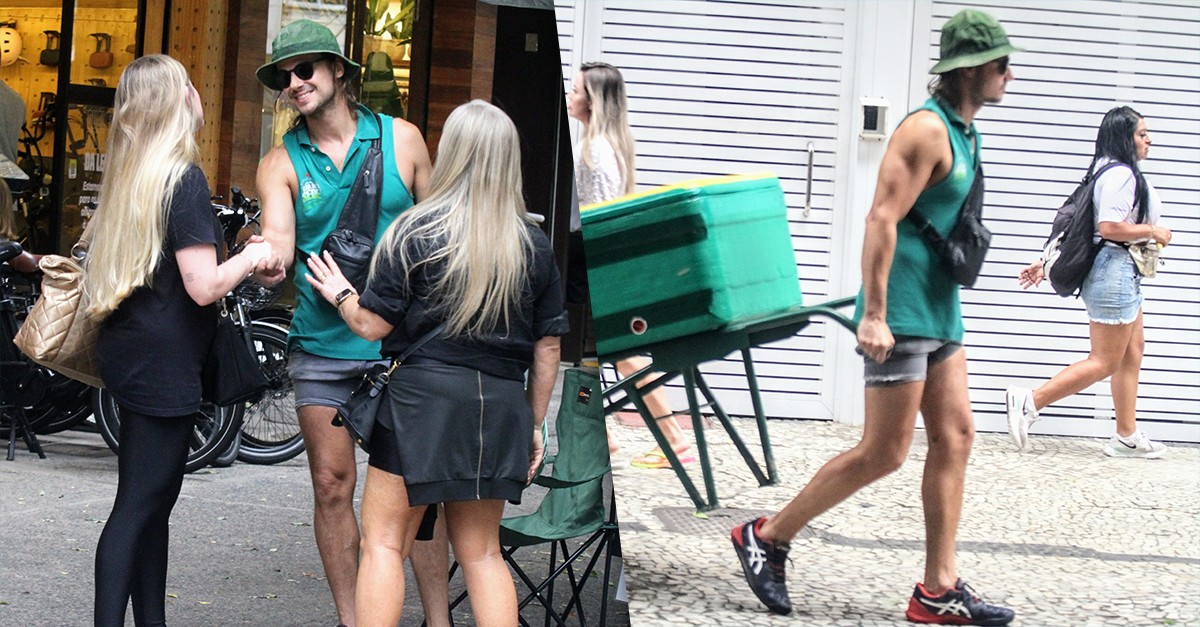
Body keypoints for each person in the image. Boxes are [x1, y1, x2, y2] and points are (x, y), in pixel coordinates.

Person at [730, 9, 1019, 625]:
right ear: (970, 69)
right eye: (1000, 64)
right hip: (902, 311)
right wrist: (875, 314)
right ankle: (768, 535)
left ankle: (937, 590)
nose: (1009, 75)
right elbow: (881, 218)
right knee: (884, 451)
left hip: (941, 310)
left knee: (958, 437)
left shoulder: (967, 132)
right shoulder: (925, 131)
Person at [304, 99, 568, 626]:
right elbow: (549, 348)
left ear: (451, 154)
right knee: (483, 554)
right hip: (498, 407)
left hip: (420, 406)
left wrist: (339, 293)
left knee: (383, 544)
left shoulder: (415, 231)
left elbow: (371, 325)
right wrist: (533, 424)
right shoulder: (533, 245)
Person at [251, 19, 447, 627]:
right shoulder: (280, 162)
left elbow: (442, 234)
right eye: (284, 77)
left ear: (340, 71)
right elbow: (281, 245)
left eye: (304, 69)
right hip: (322, 344)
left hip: (403, 348)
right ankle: (353, 619)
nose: (294, 82)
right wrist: (265, 262)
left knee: (418, 491)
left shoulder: (405, 140)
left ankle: (437, 618)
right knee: (332, 486)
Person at [85, 54, 281, 627]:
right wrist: (251, 254)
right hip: (164, 362)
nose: (199, 92)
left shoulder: (132, 177)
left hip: (130, 352)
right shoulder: (182, 178)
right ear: (177, 103)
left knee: (153, 503)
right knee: (140, 505)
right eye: (190, 85)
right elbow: (202, 288)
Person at [1007, 106, 1171, 459]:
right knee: (1105, 360)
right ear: (1125, 138)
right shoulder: (1121, 175)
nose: (1149, 139)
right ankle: (1031, 402)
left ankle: (1126, 436)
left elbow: (1081, 226)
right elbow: (1108, 228)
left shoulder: (1104, 171)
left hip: (1123, 272)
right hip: (1115, 273)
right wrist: (1154, 231)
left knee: (1132, 353)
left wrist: (1045, 262)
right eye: (1142, 134)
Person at [566, 61, 695, 468]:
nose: (570, 96)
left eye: (575, 90)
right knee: (602, 354)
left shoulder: (594, 151)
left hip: (597, 262)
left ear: (593, 101)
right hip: (601, 262)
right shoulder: (607, 144)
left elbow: (601, 215)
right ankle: (608, 437)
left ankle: (672, 438)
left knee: (620, 354)